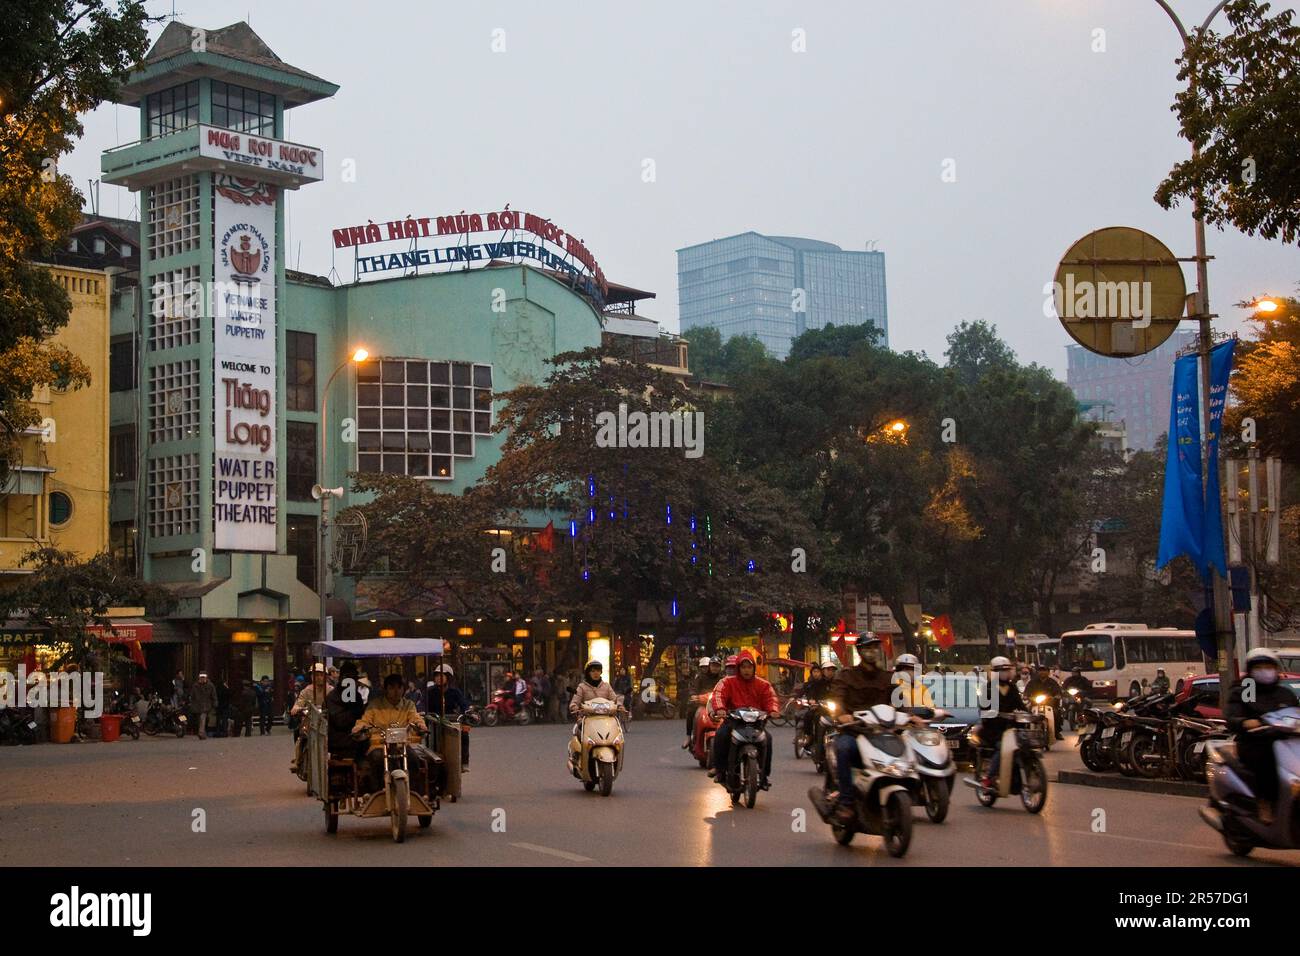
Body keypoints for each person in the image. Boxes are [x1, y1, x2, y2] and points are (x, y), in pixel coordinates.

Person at [818, 641, 893, 823]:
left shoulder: (888, 677)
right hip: (854, 732)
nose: (871, 652)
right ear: (859, 651)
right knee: (844, 750)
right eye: (867, 648)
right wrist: (842, 715)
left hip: (881, 734)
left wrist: (911, 716)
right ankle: (846, 802)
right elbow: (836, 698)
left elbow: (900, 701)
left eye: (875, 647)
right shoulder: (846, 676)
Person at [1226, 648, 1299, 824]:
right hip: (1255, 742)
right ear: (1251, 670)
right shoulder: (1248, 690)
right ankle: (1264, 802)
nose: (1265, 671)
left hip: (1285, 741)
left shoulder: (1284, 693)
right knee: (1267, 760)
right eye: (1259, 667)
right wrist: (1245, 722)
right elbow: (1235, 715)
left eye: (1268, 666)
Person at [352, 674, 435, 795]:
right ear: (386, 689)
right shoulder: (375, 705)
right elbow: (364, 721)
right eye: (392, 688)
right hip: (379, 745)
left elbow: (415, 719)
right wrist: (359, 728)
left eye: (399, 687)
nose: (396, 691)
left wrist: (420, 726)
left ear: (403, 689)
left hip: (402, 745)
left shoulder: (409, 705)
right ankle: (376, 792)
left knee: (413, 758)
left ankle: (415, 793)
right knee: (376, 759)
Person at [708, 650, 779, 789]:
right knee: (721, 736)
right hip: (733, 722)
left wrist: (773, 710)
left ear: (754, 668)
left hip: (756, 724)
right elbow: (718, 695)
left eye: (749, 667)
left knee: (768, 740)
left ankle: (764, 776)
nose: (746, 670)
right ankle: (720, 769)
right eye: (743, 667)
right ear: (738, 669)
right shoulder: (727, 682)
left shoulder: (763, 684)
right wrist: (720, 709)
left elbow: (771, 699)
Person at [978, 656, 1025, 790]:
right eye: (1001, 670)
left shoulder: (1012, 687)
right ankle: (989, 777)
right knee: (1002, 747)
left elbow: (1020, 705)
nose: (1004, 673)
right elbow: (984, 709)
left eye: (1006, 670)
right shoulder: (988, 688)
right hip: (993, 730)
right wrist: (996, 714)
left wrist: (1030, 714)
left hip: (1011, 729)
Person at [425, 664, 471, 769]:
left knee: (464, 734)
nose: (438, 678)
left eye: (442, 675)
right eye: (436, 676)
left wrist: (468, 712)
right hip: (434, 722)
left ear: (448, 678)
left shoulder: (454, 692)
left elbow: (464, 704)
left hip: (450, 722)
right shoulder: (430, 692)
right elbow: (423, 705)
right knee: (425, 737)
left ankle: (464, 761)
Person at [289, 663, 330, 773]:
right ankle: (298, 760)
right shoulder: (306, 690)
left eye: (321, 675)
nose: (318, 678)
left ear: (326, 676)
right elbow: (299, 702)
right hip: (310, 721)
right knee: (299, 734)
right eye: (315, 675)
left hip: (326, 721)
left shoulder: (331, 690)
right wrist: (296, 708)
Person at [326, 662, 367, 760]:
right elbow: (340, 721)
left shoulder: (356, 695)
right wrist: (355, 713)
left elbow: (362, 715)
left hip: (357, 734)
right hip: (340, 738)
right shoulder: (333, 697)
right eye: (350, 678)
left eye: (354, 678)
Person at [682, 657, 723, 749]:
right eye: (713, 666)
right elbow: (693, 688)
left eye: (717, 666)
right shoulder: (701, 677)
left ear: (720, 667)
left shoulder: (722, 679)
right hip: (702, 703)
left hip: (719, 705)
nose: (715, 668)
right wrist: (693, 695)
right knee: (691, 711)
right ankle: (689, 736)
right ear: (710, 666)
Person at [1024, 664, 1064, 740]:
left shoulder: (1053, 682)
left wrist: (1055, 697)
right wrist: (1027, 696)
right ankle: (1028, 732)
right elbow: (1026, 693)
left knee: (1057, 713)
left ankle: (1057, 732)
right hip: (1035, 704)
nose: (1042, 672)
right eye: (1040, 670)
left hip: (1050, 705)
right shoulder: (1032, 682)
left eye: (1044, 670)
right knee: (1027, 713)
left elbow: (1058, 694)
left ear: (1048, 672)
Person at [189, 672, 217, 740]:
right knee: (200, 720)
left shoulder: (210, 686)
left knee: (203, 718)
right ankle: (202, 732)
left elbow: (213, 695)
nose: (202, 679)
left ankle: (201, 733)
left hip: (206, 706)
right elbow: (192, 696)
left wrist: (215, 703)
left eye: (203, 677)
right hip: (197, 706)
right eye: (201, 677)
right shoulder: (195, 686)